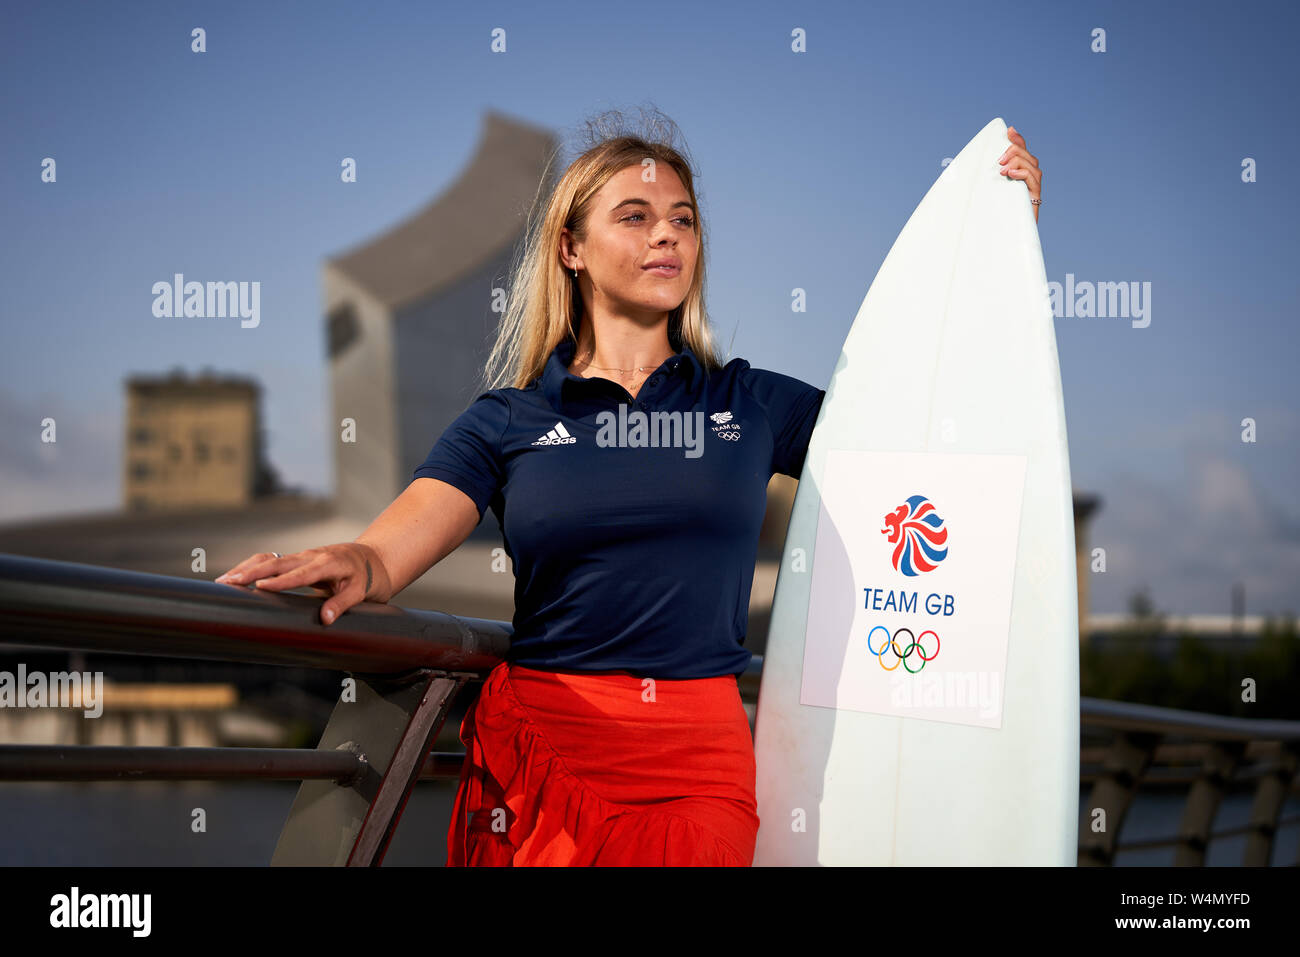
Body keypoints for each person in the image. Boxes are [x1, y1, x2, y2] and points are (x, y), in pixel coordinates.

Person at [215, 110, 1043, 866]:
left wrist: (995, 259)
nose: (668, 237)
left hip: (701, 767)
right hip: (545, 755)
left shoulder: (748, 402)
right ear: (571, 248)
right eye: (636, 217)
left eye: (683, 220)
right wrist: (355, 563)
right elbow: (388, 548)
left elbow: (927, 427)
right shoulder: (506, 420)